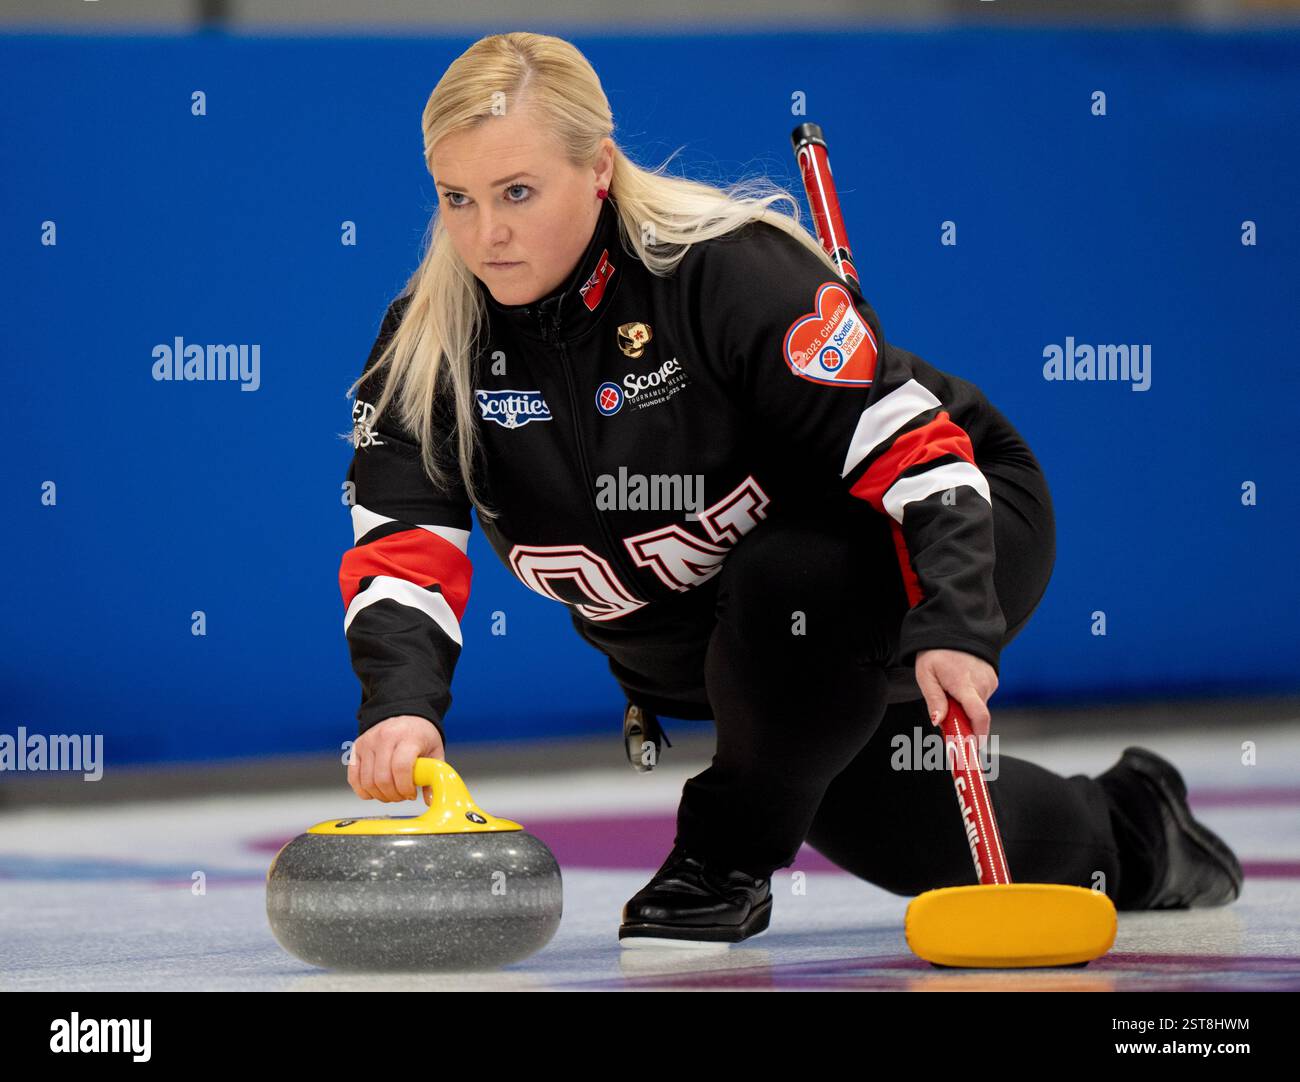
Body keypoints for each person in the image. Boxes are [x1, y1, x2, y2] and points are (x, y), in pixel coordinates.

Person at [337, 31, 1242, 946]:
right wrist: (402, 705)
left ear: (600, 168)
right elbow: (402, 555)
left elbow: (920, 457)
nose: (486, 232)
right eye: (458, 197)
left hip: (941, 525)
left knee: (792, 581)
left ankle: (720, 861)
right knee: (903, 833)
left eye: (518, 192)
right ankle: (1136, 828)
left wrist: (958, 618)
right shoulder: (429, 350)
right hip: (762, 656)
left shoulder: (727, 274)